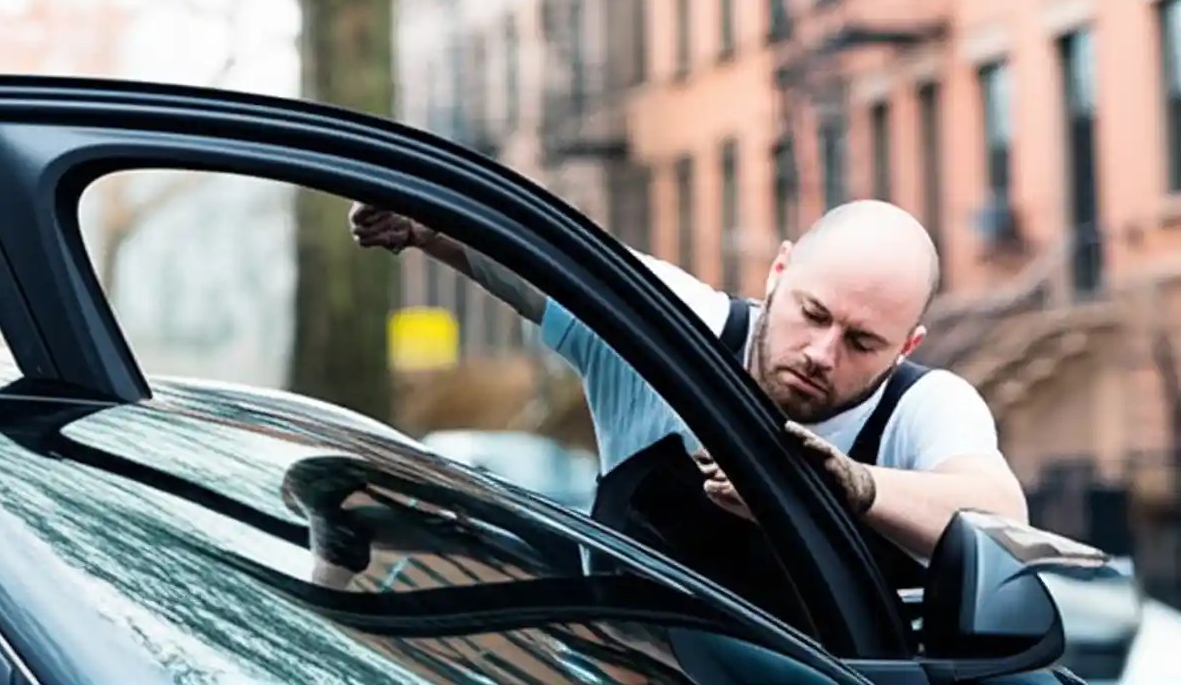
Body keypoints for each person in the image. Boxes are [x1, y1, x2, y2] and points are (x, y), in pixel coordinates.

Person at [348, 199, 1028, 574]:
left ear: (906, 346)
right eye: (813, 314)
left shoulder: (924, 408)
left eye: (862, 342)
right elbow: (542, 261)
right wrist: (434, 226)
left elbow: (1000, 519)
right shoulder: (677, 326)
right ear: (779, 272)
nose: (823, 353)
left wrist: (856, 488)